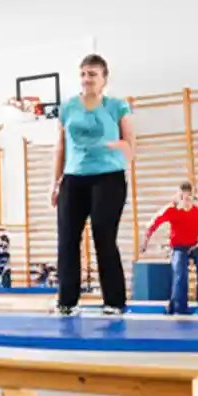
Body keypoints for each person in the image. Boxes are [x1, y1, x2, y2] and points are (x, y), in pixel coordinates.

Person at [51, 54, 136, 316]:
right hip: (73, 178)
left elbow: (130, 144)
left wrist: (113, 155)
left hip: (108, 178)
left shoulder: (117, 106)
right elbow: (61, 147)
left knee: (104, 237)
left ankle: (114, 301)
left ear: (104, 79)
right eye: (83, 74)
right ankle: (67, 301)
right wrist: (56, 182)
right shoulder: (68, 107)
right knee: (67, 240)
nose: (87, 79)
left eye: (93, 74)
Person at [141, 181, 198, 315]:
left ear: (192, 198)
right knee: (180, 271)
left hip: (196, 246)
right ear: (178, 197)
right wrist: (145, 242)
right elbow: (152, 225)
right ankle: (179, 306)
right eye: (182, 198)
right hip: (179, 246)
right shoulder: (171, 210)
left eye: (188, 198)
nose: (185, 202)